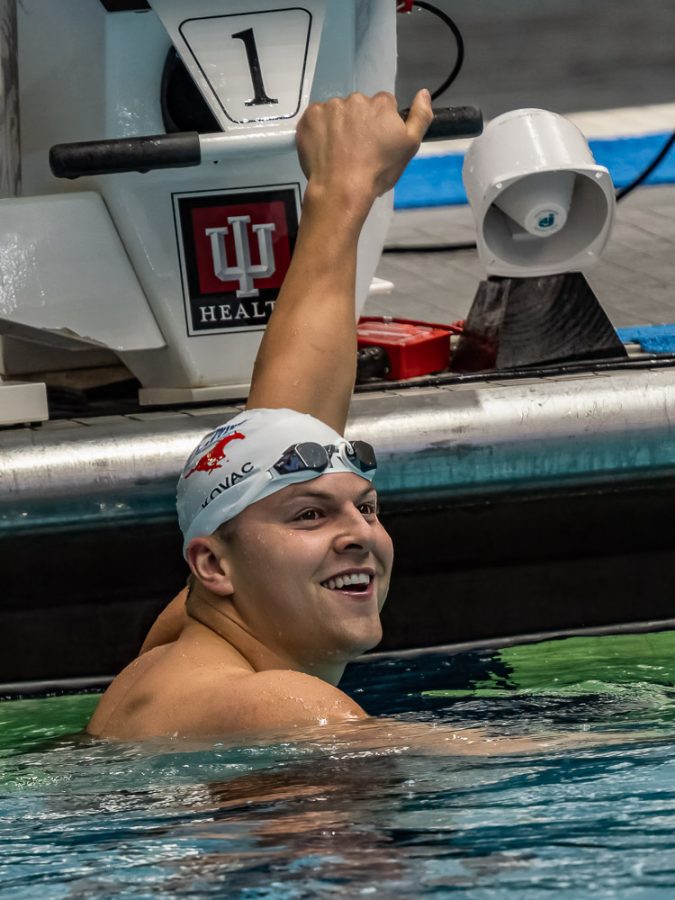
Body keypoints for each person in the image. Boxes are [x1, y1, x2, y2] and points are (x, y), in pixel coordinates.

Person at [86, 92, 610, 756]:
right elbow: (492, 764)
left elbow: (283, 423)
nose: (358, 535)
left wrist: (342, 190)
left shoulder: (181, 649)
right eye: (310, 516)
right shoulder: (281, 704)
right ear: (213, 564)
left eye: (365, 508)